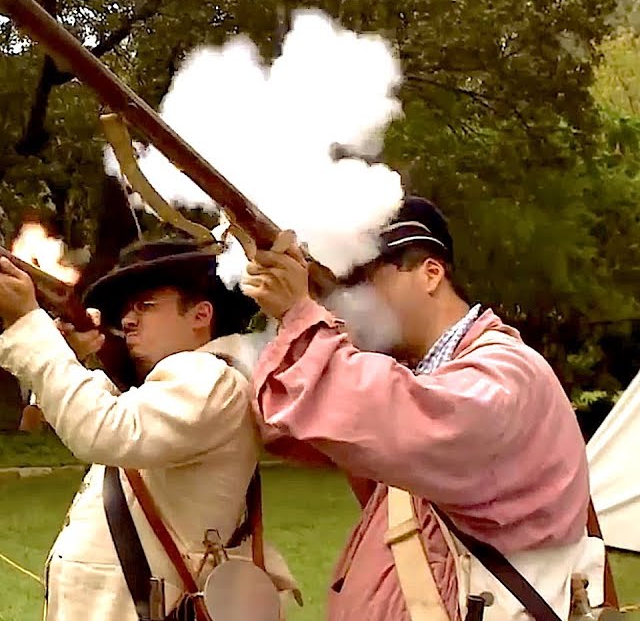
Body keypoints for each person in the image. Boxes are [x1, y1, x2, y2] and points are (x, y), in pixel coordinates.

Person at [241, 197, 609, 621]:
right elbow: (288, 427)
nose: (347, 304)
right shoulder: (423, 377)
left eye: (364, 281)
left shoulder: (507, 374)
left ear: (430, 273)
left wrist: (300, 319)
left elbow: (393, 413)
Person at [0, 239, 298, 621]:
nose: (128, 321)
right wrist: (71, 356)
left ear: (200, 315)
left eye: (145, 306)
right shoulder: (183, 386)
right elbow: (109, 413)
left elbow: (105, 429)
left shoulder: (210, 376)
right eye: (128, 310)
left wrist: (29, 322)